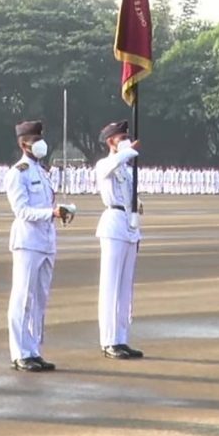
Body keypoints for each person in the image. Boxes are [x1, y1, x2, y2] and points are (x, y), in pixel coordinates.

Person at [5, 120, 68, 372]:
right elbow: (21, 210)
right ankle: (20, 352)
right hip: (27, 241)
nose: (40, 143)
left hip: (46, 240)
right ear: (23, 144)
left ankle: (33, 349)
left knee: (40, 298)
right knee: (22, 297)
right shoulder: (17, 173)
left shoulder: (42, 172)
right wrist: (50, 213)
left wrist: (57, 213)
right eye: (35, 139)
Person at [94, 121, 145, 360]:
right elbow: (109, 168)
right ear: (110, 141)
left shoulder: (126, 168)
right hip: (113, 224)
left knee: (125, 288)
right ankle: (109, 341)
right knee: (111, 286)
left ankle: (122, 339)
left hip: (128, 225)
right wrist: (127, 152)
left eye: (126, 135)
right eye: (121, 136)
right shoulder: (106, 163)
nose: (125, 138)